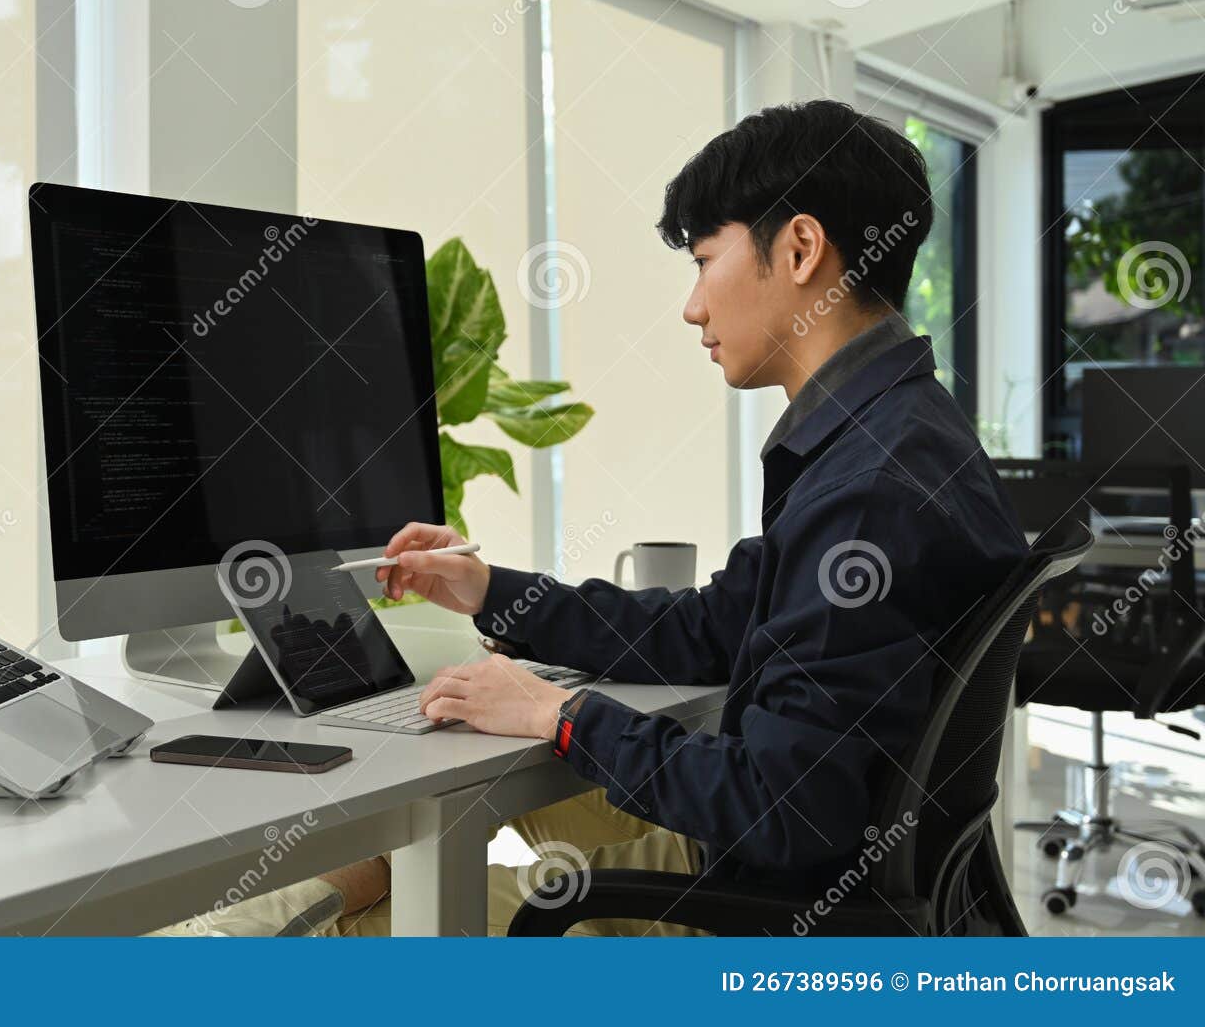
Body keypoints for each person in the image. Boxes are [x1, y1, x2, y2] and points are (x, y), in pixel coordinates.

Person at [154, 99, 1026, 937]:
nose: (693, 306)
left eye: (704, 260)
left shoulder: (869, 487)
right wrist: (491, 589)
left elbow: (785, 804)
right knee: (434, 787)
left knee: (374, 924)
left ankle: (193, 957)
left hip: (760, 909)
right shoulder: (894, 434)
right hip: (801, 868)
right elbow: (709, 628)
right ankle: (265, 914)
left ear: (800, 249)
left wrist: (561, 715)